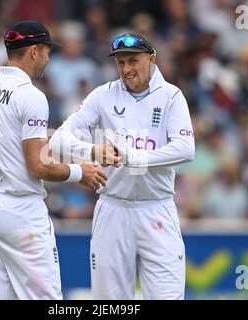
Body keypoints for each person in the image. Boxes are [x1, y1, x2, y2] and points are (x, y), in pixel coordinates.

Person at [0, 21, 107, 300]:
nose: (47, 58)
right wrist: (81, 172)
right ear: (32, 51)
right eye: (46, 52)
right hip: (21, 213)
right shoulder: (31, 96)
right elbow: (38, 166)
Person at [50, 33, 195, 299]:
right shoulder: (102, 96)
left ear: (151, 59)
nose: (126, 69)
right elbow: (58, 140)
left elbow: (186, 149)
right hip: (113, 208)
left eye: (133, 61)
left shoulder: (171, 96)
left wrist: (137, 158)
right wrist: (92, 150)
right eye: (120, 63)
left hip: (157, 208)